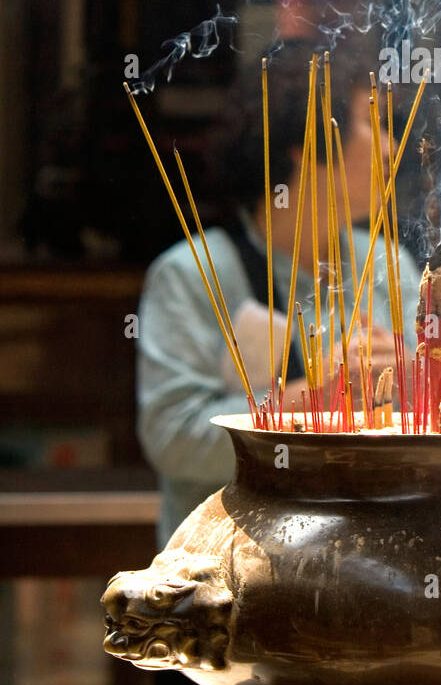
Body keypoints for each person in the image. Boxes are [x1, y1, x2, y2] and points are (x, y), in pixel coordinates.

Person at [137, 41, 422, 550]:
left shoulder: (386, 263)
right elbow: (173, 436)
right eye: (370, 124)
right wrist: (311, 396)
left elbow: (430, 414)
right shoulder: (194, 273)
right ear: (307, 143)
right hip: (228, 573)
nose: (388, 147)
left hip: (366, 558)